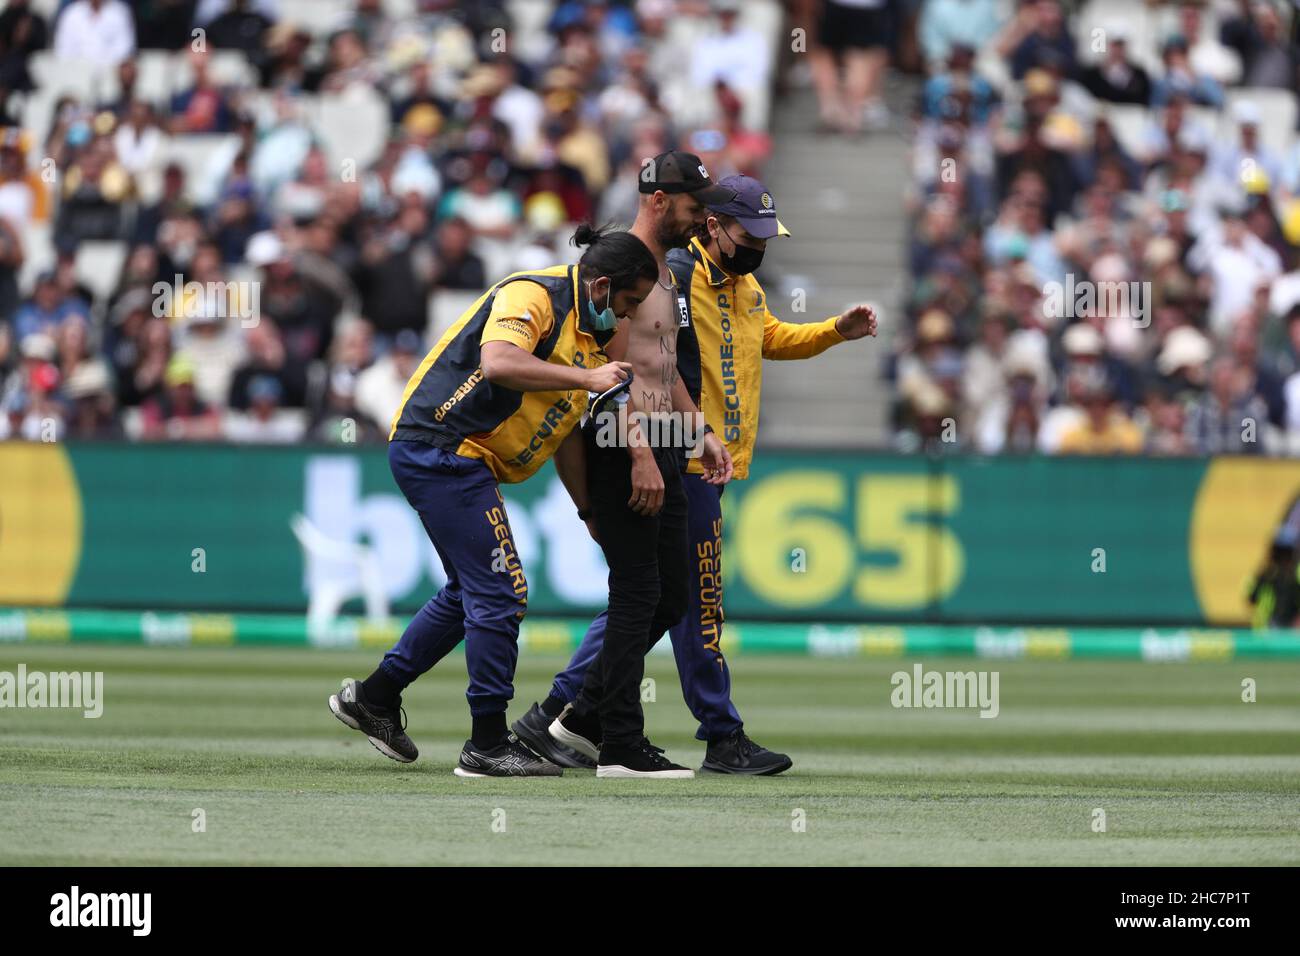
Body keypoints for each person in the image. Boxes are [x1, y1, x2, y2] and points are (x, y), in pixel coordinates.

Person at [518, 174, 878, 775]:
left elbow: (768, 338)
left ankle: (568, 713)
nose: (758, 247)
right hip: (677, 455)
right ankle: (719, 734)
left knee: (652, 600)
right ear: (714, 226)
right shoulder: (673, 278)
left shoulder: (743, 285)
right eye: (749, 235)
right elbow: (647, 367)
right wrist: (660, 444)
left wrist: (832, 332)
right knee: (691, 603)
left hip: (702, 456)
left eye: (764, 238)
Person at [328, 223, 656, 778]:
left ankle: (375, 696)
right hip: (442, 446)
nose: (629, 316)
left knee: (471, 592)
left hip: (458, 456)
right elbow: (500, 362)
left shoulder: (587, 339)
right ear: (601, 286)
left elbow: (566, 434)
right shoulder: (535, 295)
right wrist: (587, 378)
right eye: (628, 302)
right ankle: (486, 743)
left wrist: (587, 512)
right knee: (502, 593)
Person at [534, 150, 735, 779]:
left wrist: (699, 432)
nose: (702, 221)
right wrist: (642, 455)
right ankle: (616, 740)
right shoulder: (621, 268)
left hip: (663, 438)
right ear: (659, 200)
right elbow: (614, 378)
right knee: (639, 594)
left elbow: (662, 369)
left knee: (669, 596)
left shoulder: (663, 270)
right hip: (626, 443)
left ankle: (578, 719)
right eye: (695, 207)